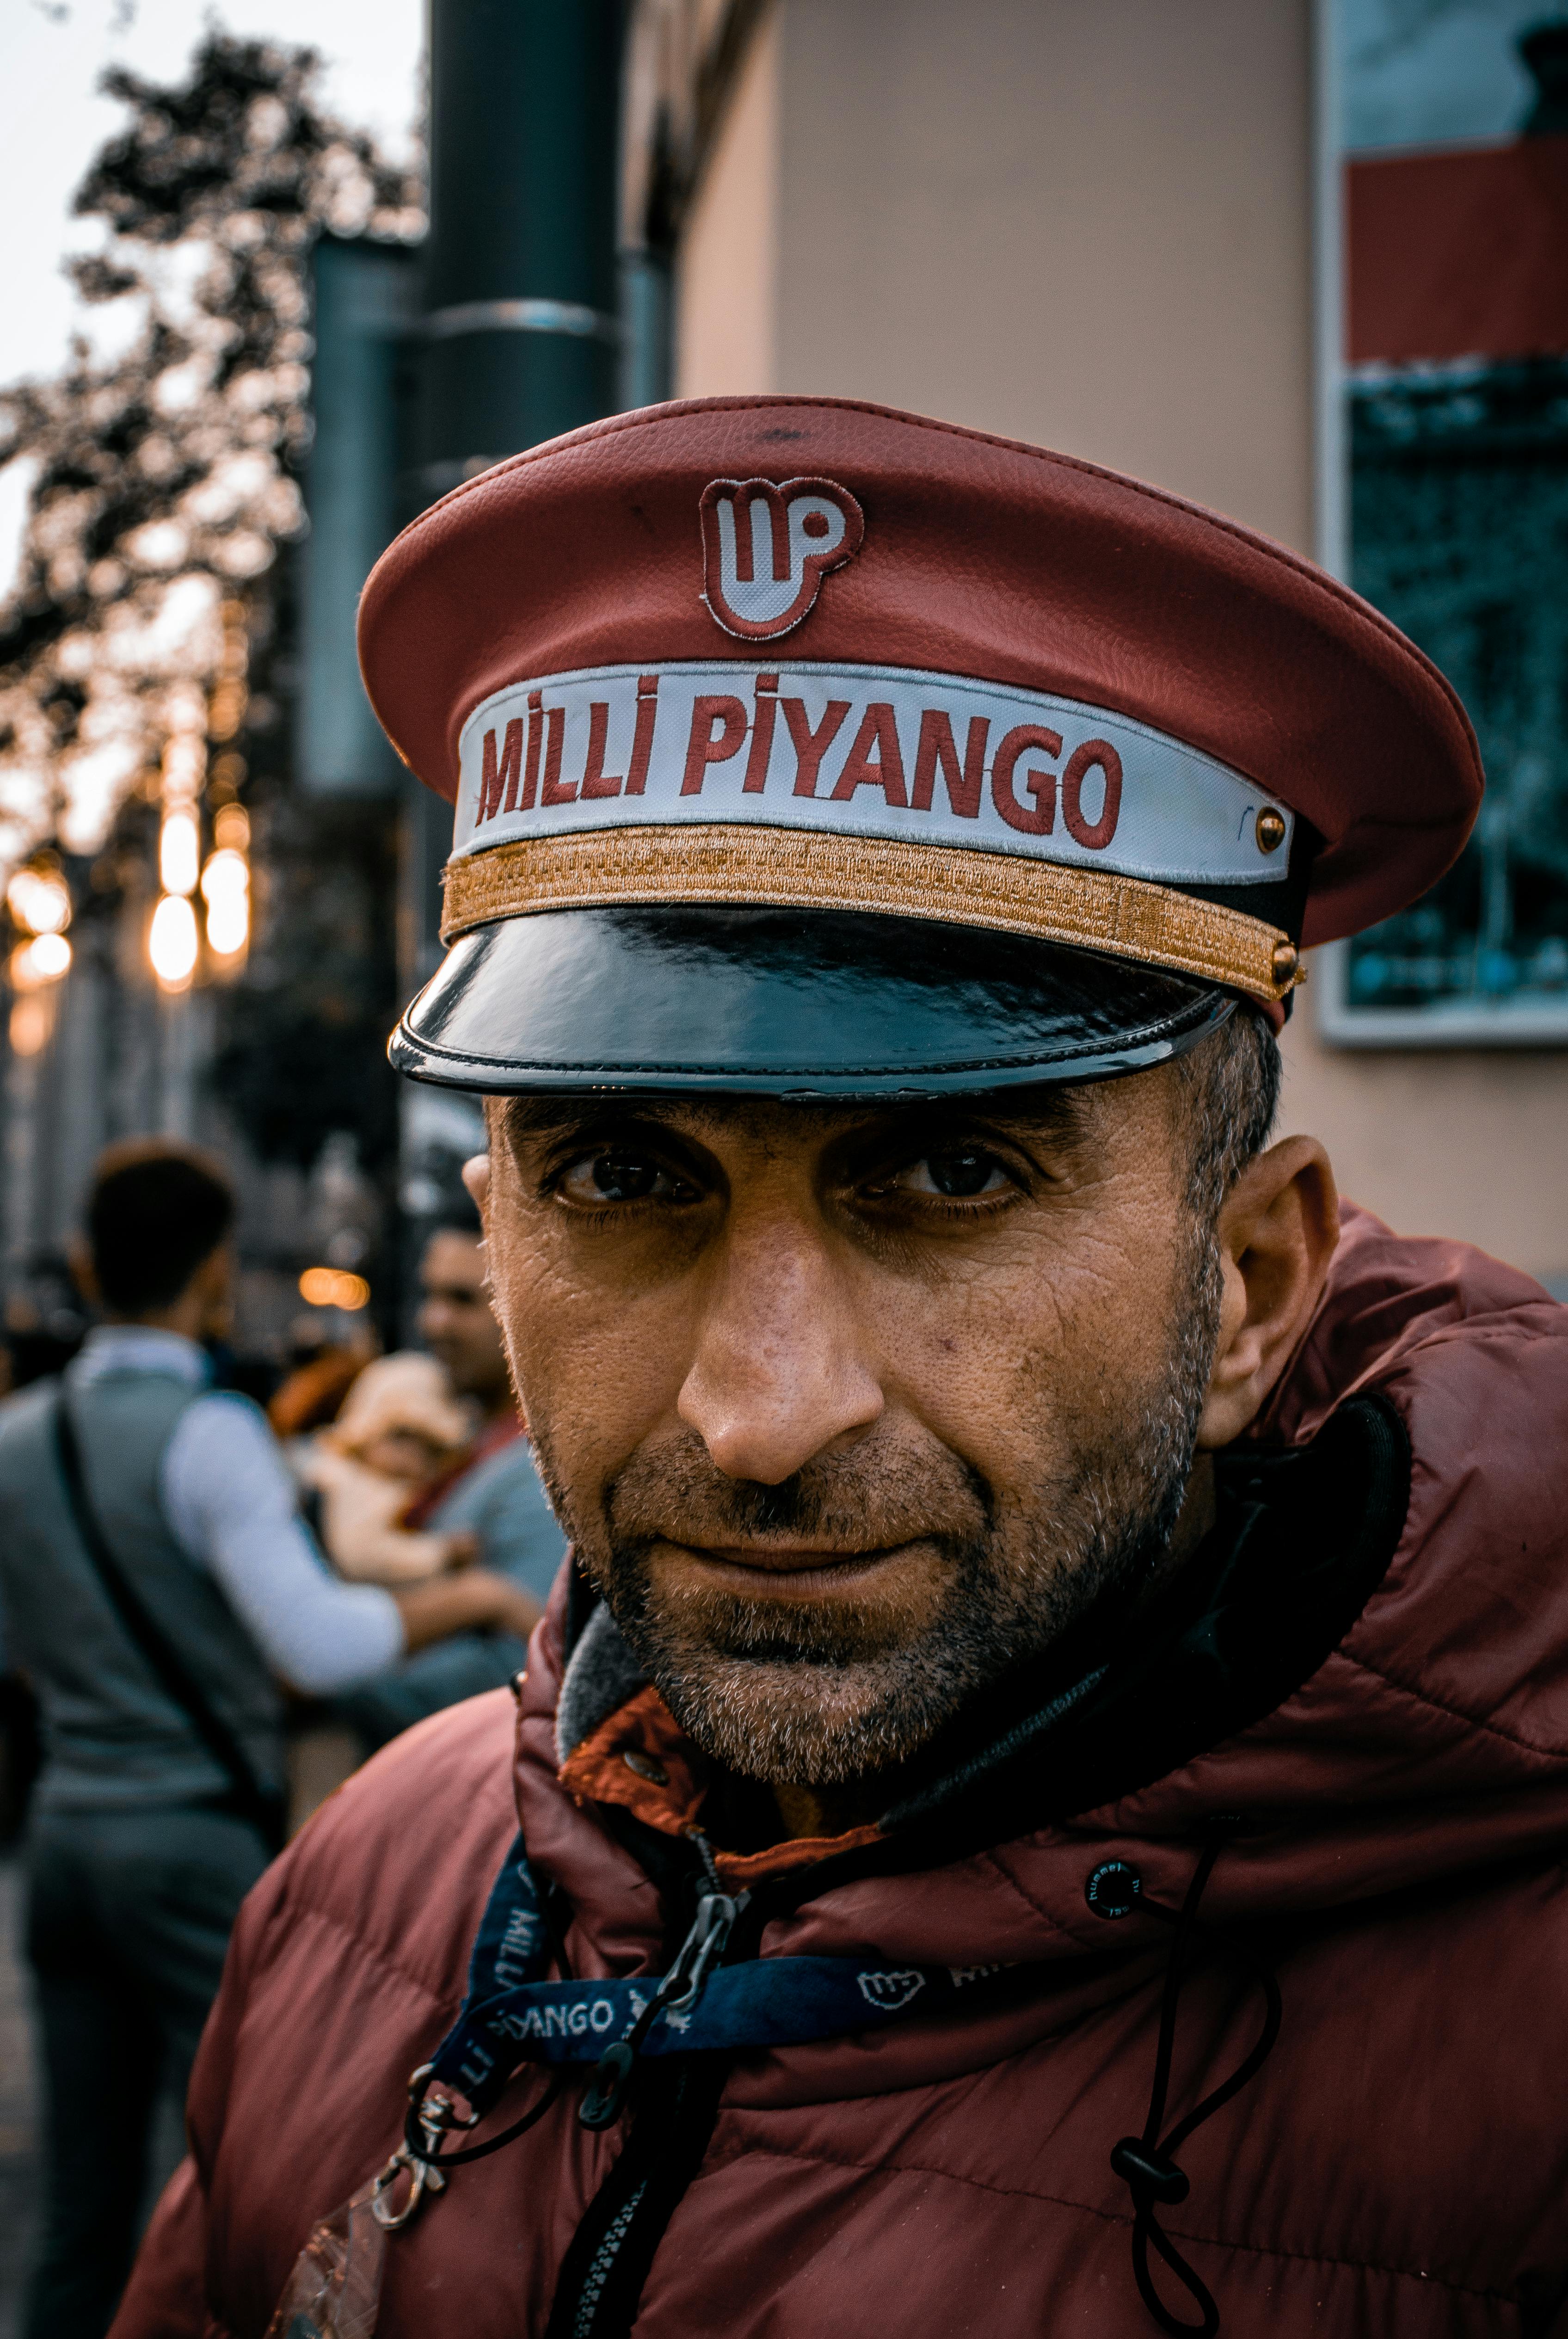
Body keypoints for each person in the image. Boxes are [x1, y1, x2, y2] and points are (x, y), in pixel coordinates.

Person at [114, 400, 1568, 2339]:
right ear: (498, 1221)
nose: (757, 1413)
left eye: (953, 1173)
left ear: (1244, 1281)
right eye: (625, 1174)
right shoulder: (360, 1893)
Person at [0, 1139, 539, 2339]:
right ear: (208, 1281)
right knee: (252, 2182)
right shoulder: (212, 1433)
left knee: (78, 2204)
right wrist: (467, 1601)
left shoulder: (19, 1436)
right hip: (190, 1840)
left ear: (90, 1266)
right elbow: (316, 1645)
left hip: (63, 1846)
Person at [335, 1199, 567, 1748]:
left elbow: (517, 1677)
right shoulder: (465, 1440)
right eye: (430, 1295)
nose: (433, 1321)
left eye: (462, 1300)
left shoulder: (539, 1473)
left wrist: (329, 1659)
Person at [300, 1352, 478, 1584]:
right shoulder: (348, 1479)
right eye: (398, 1437)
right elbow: (361, 1555)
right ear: (363, 1433)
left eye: (429, 1447)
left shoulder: (381, 1478)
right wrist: (440, 1554)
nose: (409, 1457)